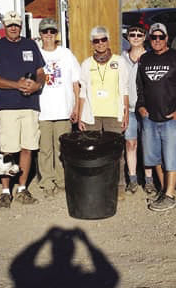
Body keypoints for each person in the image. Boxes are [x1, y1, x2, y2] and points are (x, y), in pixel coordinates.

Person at [0, 11, 45, 209]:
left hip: (30, 105)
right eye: (9, 24)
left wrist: (37, 86)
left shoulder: (30, 45)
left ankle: (22, 188)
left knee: (28, 148)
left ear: (21, 26)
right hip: (7, 106)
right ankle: (4, 192)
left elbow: (40, 72)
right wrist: (16, 85)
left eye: (16, 25)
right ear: (4, 26)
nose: (13, 27)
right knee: (8, 150)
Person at [136, 23, 176, 212]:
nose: (157, 40)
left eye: (161, 37)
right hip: (150, 118)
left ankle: (170, 194)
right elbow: (140, 87)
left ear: (167, 38)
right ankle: (163, 189)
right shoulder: (144, 59)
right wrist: (141, 106)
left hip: (171, 118)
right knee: (155, 157)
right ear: (149, 39)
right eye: (154, 37)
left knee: (172, 157)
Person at [78, 26, 130, 198]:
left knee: (115, 152)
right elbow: (83, 91)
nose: (100, 43)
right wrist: (80, 116)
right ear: (92, 43)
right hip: (92, 115)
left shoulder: (119, 62)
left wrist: (126, 114)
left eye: (103, 40)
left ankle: (119, 186)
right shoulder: (86, 64)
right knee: (93, 152)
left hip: (113, 114)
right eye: (96, 40)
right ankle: (96, 185)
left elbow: (124, 89)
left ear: (108, 41)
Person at [36, 18, 80, 197]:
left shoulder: (66, 54)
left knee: (62, 149)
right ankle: (47, 182)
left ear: (56, 34)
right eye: (45, 32)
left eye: (52, 32)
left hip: (63, 110)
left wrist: (76, 106)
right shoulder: (36, 53)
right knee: (44, 149)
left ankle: (62, 180)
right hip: (43, 110)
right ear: (40, 34)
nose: (48, 35)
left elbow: (75, 82)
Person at [123, 24, 152, 193]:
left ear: (144, 37)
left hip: (147, 108)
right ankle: (132, 178)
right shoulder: (121, 58)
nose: (135, 37)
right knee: (130, 143)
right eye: (132, 34)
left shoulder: (150, 57)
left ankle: (149, 179)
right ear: (127, 37)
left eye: (139, 34)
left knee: (148, 143)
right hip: (129, 108)